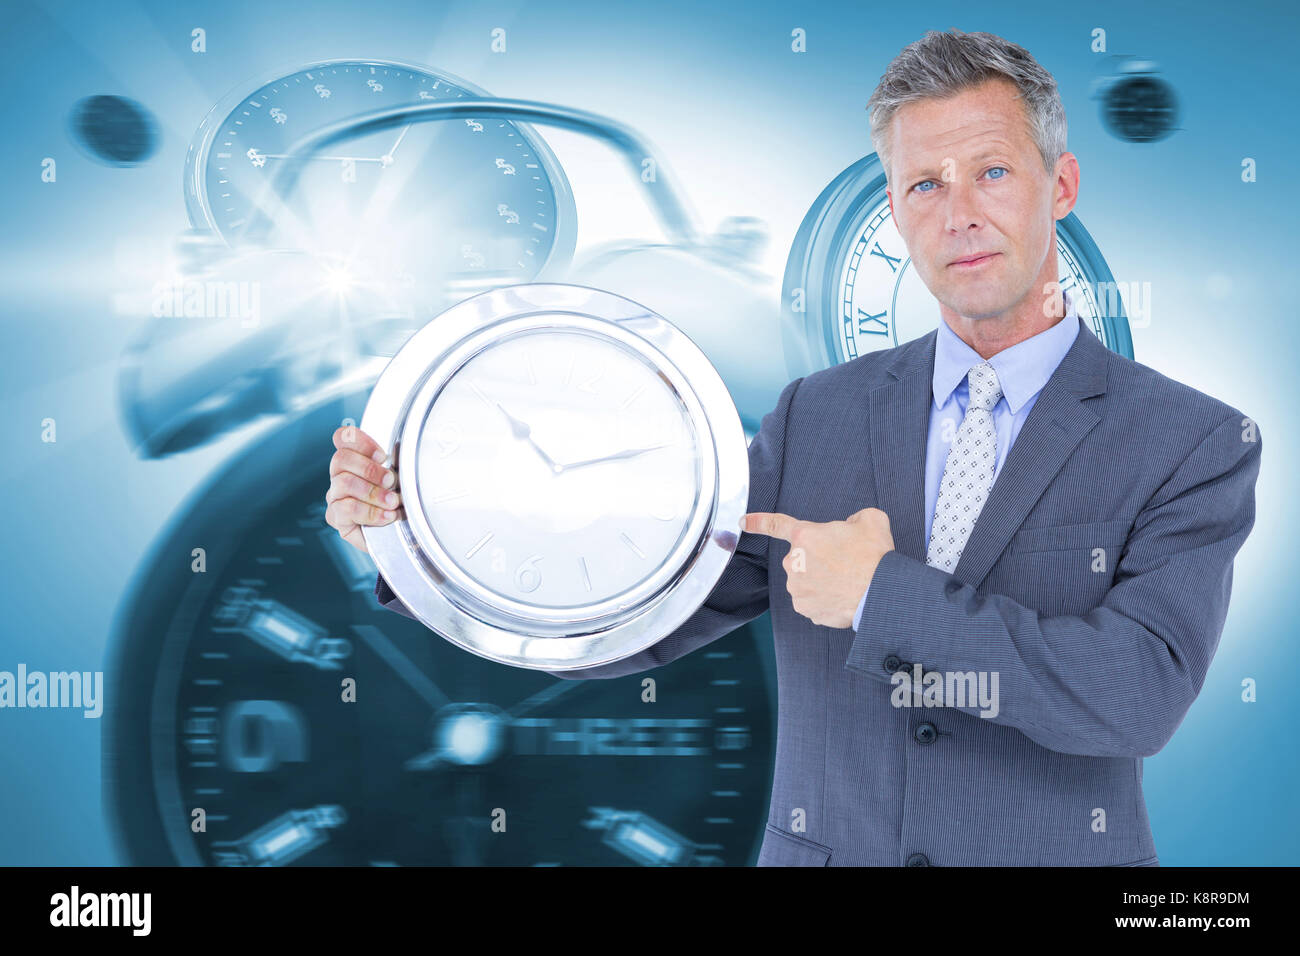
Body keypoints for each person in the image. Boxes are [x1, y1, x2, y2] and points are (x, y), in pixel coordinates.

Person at [327, 29, 1262, 866]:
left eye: (993, 172)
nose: (958, 214)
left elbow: (1135, 698)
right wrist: (423, 544)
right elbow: (645, 610)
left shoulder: (1191, 441)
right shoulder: (817, 413)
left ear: (1059, 186)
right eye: (923, 184)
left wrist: (878, 594)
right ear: (896, 213)